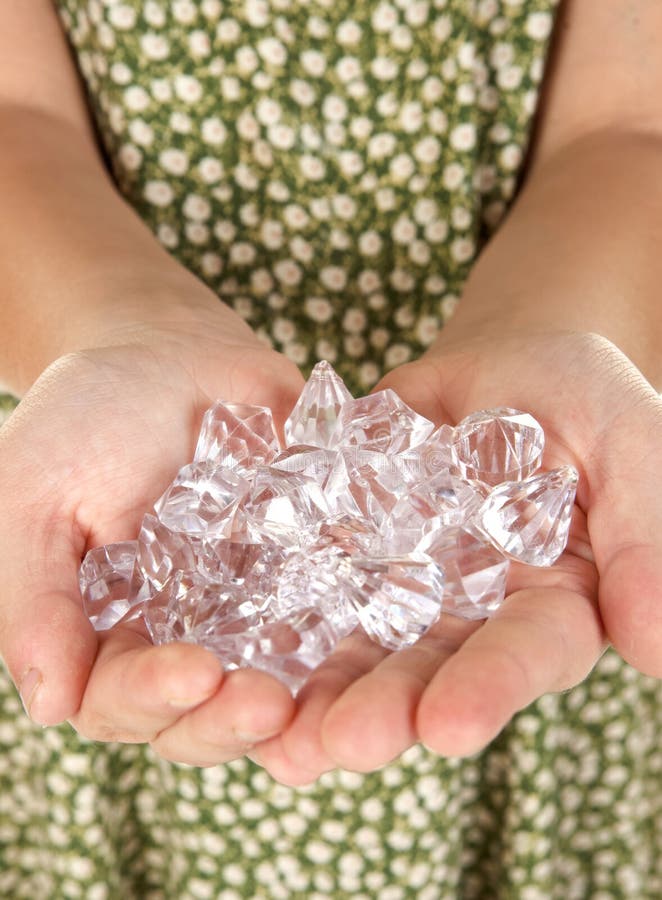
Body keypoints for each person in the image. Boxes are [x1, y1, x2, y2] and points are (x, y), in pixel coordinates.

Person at [0, 0, 661, 896]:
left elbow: (628, 123)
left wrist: (563, 326)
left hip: (509, 633)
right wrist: (111, 325)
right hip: (68, 333)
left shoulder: (437, 530)